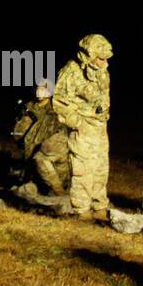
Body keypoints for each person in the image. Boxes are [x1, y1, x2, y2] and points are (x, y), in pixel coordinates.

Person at [53, 34, 113, 220]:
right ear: (88, 54)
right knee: (83, 168)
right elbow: (60, 102)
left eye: (105, 59)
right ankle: (82, 210)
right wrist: (77, 123)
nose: (104, 62)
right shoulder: (71, 72)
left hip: (100, 126)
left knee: (100, 167)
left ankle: (99, 206)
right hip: (84, 126)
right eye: (100, 58)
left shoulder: (101, 70)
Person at [13, 81, 71, 194]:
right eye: (38, 89)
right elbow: (18, 134)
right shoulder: (28, 108)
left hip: (51, 155)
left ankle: (60, 192)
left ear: (50, 92)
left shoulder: (56, 110)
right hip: (30, 155)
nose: (39, 92)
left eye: (43, 89)